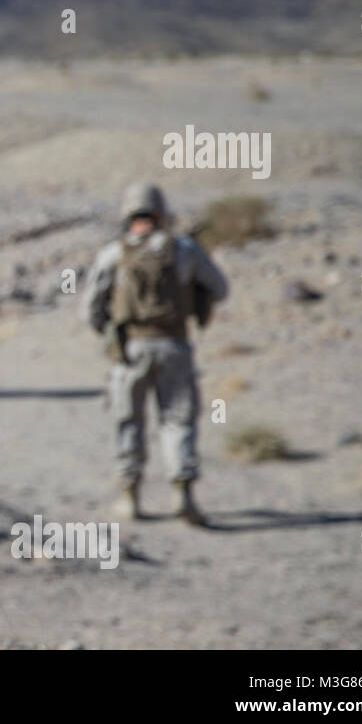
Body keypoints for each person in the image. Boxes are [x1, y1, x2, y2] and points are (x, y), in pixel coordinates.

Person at [82, 183, 228, 525]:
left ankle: (129, 497)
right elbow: (220, 288)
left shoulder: (113, 254)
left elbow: (90, 307)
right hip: (175, 346)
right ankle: (183, 493)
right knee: (177, 420)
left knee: (129, 420)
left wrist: (109, 333)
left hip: (130, 350)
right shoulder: (185, 249)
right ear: (161, 214)